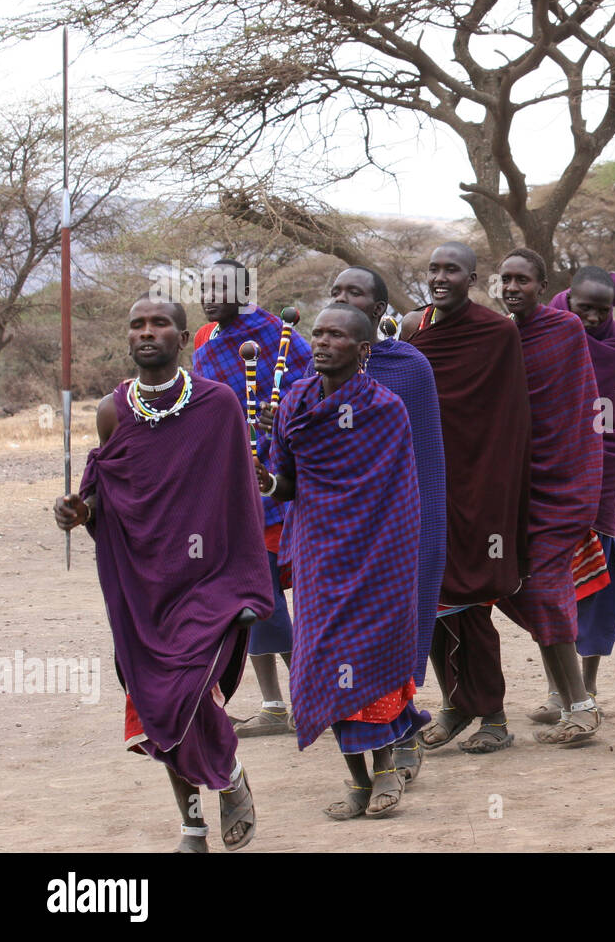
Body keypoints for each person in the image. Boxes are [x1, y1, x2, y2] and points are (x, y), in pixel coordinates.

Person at [55, 295, 273, 852]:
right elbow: (107, 496)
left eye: (159, 324)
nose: (146, 332)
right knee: (157, 705)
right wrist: (80, 511)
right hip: (142, 588)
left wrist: (251, 582)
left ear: (182, 338)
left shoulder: (218, 403)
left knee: (187, 695)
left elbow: (240, 499)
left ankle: (227, 777)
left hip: (211, 581)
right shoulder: (112, 410)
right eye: (137, 325)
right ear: (127, 338)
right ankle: (195, 824)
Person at [257, 303, 428, 818]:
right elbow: (286, 481)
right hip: (318, 559)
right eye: (319, 334)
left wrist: (393, 561)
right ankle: (356, 780)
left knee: (369, 663)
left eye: (337, 335)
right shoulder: (295, 404)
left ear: (364, 350)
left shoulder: (385, 408)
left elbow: (400, 496)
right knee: (321, 666)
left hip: (377, 560)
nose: (324, 342)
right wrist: (264, 481)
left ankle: (384, 774)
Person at [404, 242, 532, 755]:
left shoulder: (497, 332)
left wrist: (498, 490)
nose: (439, 277)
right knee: (430, 603)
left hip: (479, 487)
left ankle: (495, 717)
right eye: (433, 269)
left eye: (451, 270)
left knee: (472, 604)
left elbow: (509, 417)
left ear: (473, 279)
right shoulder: (413, 331)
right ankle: (456, 706)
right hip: (423, 488)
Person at [327, 265, 447, 783]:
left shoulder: (408, 367)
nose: (342, 298)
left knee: (396, 633)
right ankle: (388, 738)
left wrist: (420, 525)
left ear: (378, 310)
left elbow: (425, 455)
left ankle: (401, 734)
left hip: (403, 524)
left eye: (354, 292)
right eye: (335, 292)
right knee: (353, 639)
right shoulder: (320, 373)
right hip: (343, 531)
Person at [192, 258, 313, 737]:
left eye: (220, 288)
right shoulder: (205, 341)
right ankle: (274, 705)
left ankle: (308, 692)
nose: (209, 296)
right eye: (204, 287)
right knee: (254, 596)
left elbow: (310, 389)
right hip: (231, 481)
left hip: (282, 481)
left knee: (281, 591)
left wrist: (277, 415)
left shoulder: (279, 334)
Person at [527, 266, 615, 719]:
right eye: (585, 307)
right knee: (547, 576)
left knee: (596, 575)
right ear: (566, 299)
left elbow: (610, 417)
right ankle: (558, 689)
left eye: (603, 308)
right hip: (547, 465)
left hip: (603, 459)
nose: (594, 317)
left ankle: (588, 685)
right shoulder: (542, 325)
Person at [496, 248, 604, 745]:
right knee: (523, 587)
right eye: (506, 280)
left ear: (543, 285)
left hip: (563, 480)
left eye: (522, 280)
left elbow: (576, 406)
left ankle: (581, 705)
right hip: (512, 488)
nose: (513, 288)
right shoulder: (496, 337)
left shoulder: (565, 331)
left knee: (543, 588)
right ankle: (565, 698)